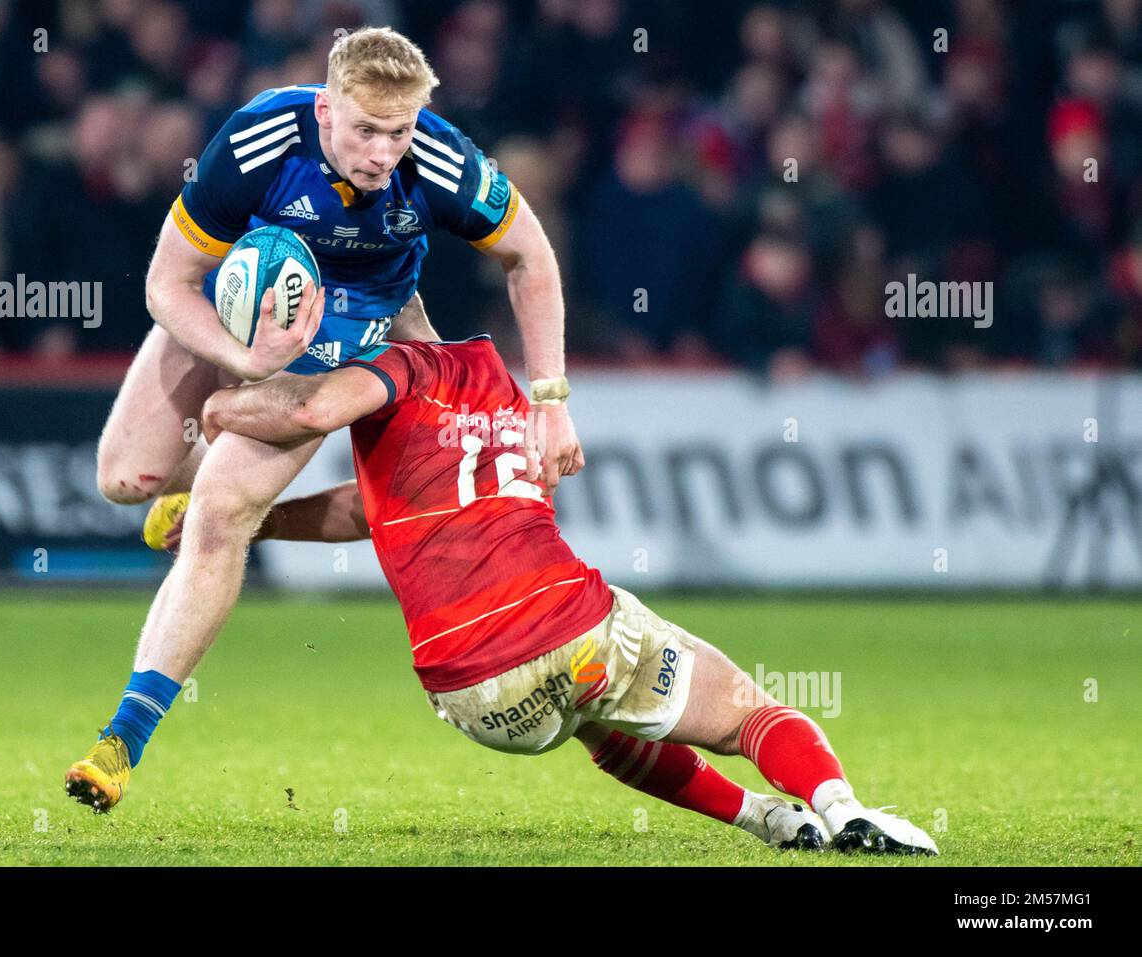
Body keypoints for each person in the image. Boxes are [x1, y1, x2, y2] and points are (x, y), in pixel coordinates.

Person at [67, 332, 938, 856]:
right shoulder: (507, 398)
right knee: (743, 710)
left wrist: (222, 412)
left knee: (597, 721)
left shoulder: (400, 367)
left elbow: (317, 426)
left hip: (473, 698)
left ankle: (769, 826)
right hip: (573, 630)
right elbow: (353, 475)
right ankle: (843, 809)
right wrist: (237, 467)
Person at [72, 27, 584, 794]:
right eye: (366, 131)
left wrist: (550, 401)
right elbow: (166, 284)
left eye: (399, 132)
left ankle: (122, 739)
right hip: (233, 309)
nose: (384, 154)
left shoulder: (441, 160)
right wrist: (245, 360)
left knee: (221, 512)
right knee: (123, 478)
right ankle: (199, 467)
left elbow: (529, 255)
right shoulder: (258, 141)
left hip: (363, 322)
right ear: (324, 109)